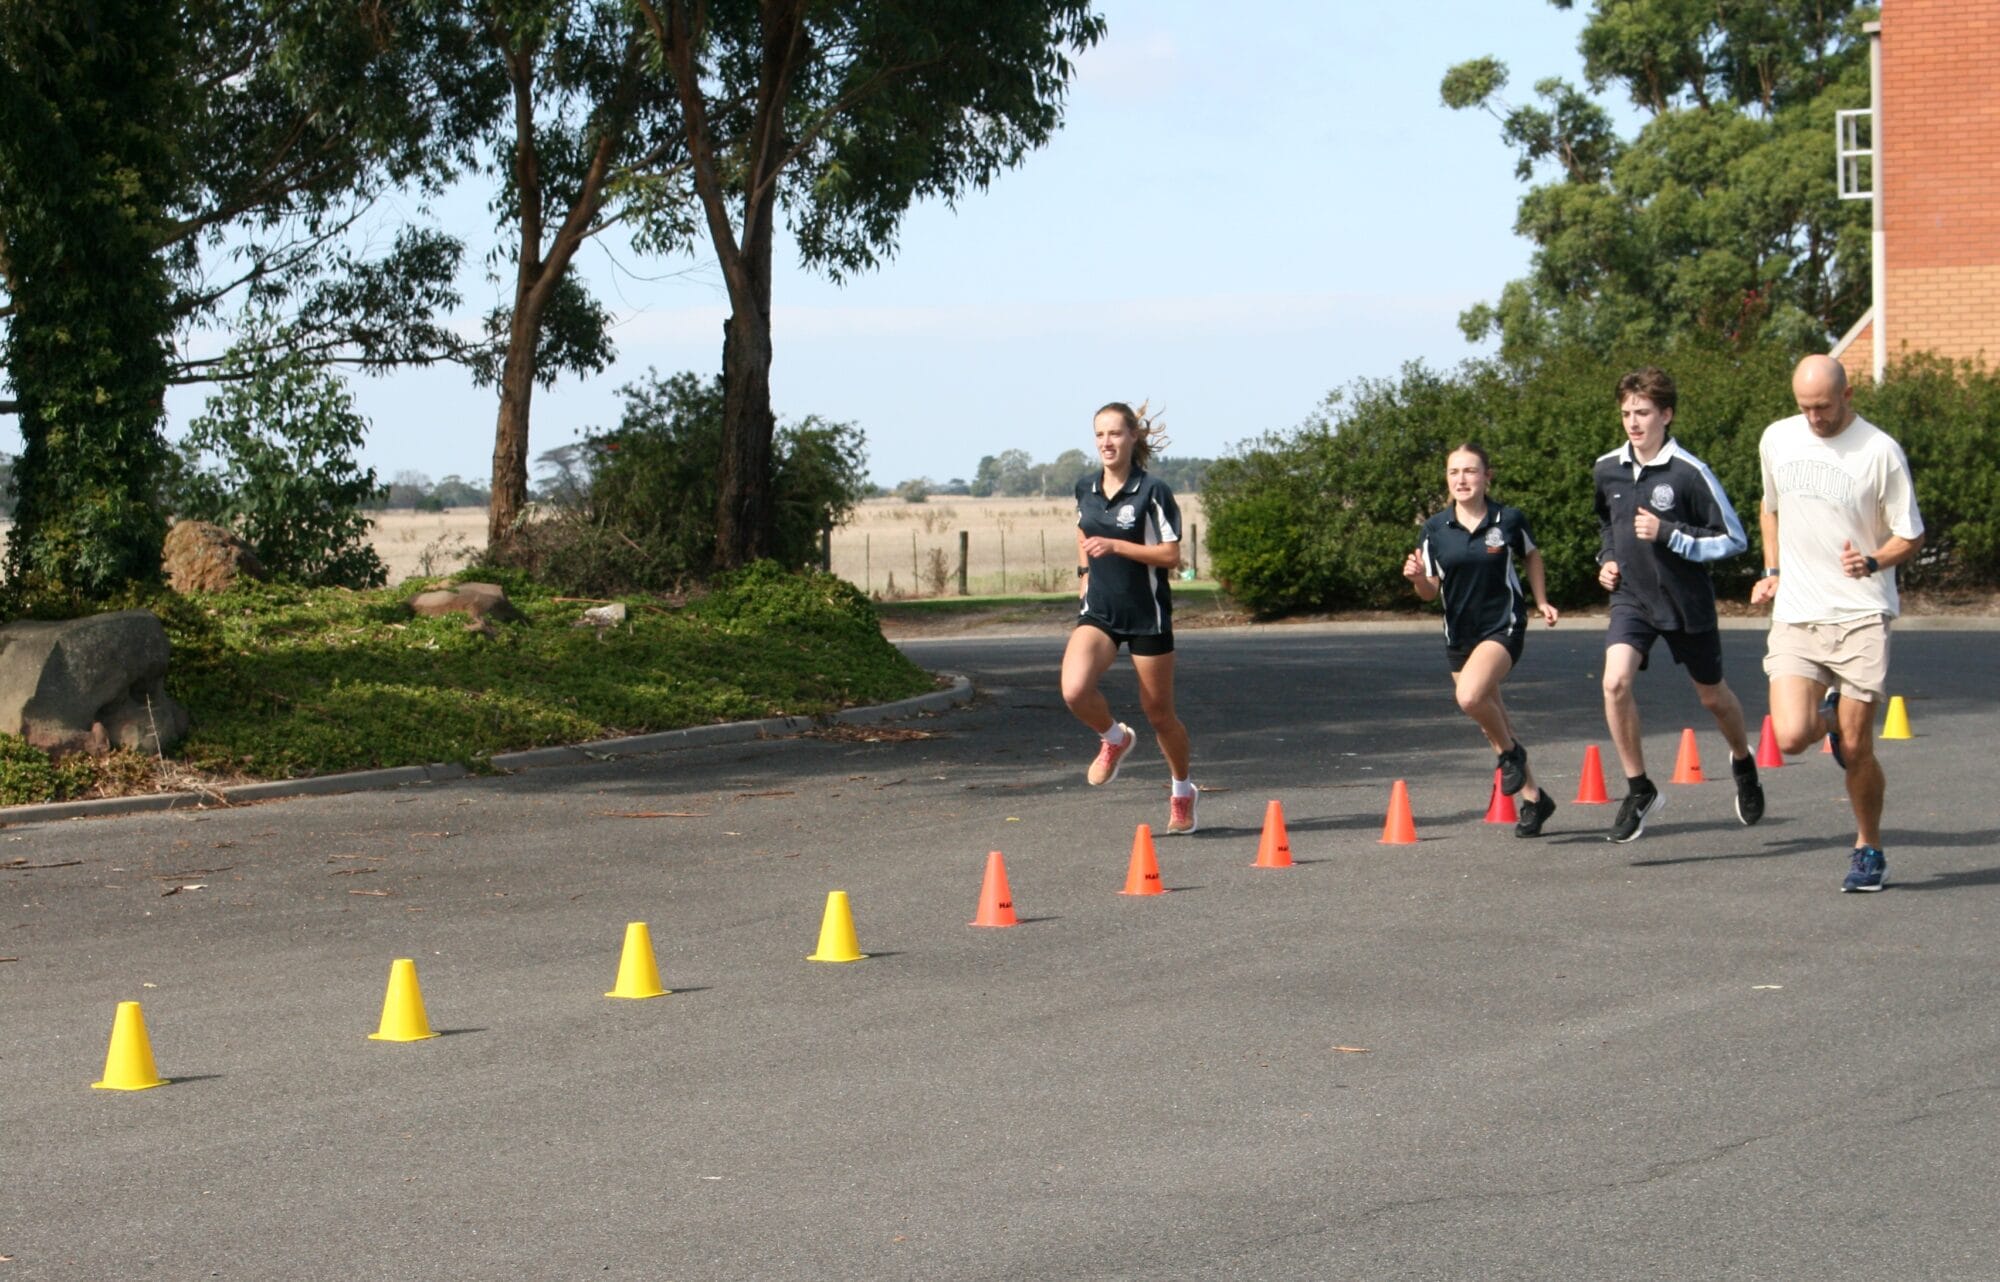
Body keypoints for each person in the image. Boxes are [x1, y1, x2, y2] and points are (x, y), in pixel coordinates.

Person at [1753, 354, 1925, 892]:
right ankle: (1824, 718)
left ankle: (1868, 848)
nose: (1814, 418)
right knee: (1791, 734)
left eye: (1823, 407)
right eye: (1804, 407)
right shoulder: (1778, 438)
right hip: (1798, 612)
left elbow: (1911, 534)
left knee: (1856, 747)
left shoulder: (1879, 451)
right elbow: (1769, 506)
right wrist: (1773, 570)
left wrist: (1873, 561)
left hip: (1860, 613)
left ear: (1848, 395)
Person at [1592, 366, 1764, 843]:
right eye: (1626, 412)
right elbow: (1608, 523)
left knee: (1712, 697)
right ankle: (1639, 788)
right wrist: (1608, 559)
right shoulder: (1607, 468)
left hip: (1685, 602)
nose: (1633, 421)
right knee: (1614, 682)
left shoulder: (1689, 473)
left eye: (1643, 412)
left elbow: (1733, 539)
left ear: (1666, 415)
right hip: (1633, 599)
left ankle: (1743, 762)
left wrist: (1669, 535)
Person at [1402, 443, 1561, 838]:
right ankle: (1535, 800)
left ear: (1487, 476)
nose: (1462, 479)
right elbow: (1429, 591)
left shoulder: (1508, 519)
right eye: (1454, 472)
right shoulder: (1435, 530)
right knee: (1493, 720)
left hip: (1502, 627)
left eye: (1470, 471)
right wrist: (1418, 579)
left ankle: (1511, 755)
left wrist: (1541, 600)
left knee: (1471, 698)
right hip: (1460, 635)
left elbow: (1532, 556)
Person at [1060, 401, 1199, 834]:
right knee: (1074, 690)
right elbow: (1084, 533)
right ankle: (1114, 739)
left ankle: (1182, 790)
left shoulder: (1152, 491)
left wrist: (1117, 546)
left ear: (1132, 437)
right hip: (1100, 612)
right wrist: (1085, 575)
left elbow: (1172, 555)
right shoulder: (1085, 487)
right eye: (1099, 434)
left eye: (1115, 434)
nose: (1106, 442)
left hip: (1147, 615)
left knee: (1160, 715)